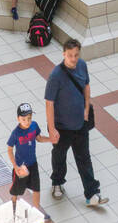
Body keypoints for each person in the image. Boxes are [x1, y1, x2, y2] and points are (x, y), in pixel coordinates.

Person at [44, 38, 107, 206]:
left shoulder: (82, 66)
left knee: (84, 158)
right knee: (59, 156)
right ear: (64, 54)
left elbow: (86, 86)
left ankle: (92, 194)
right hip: (62, 127)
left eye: (76, 55)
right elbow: (49, 103)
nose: (73, 59)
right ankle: (57, 182)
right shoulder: (56, 76)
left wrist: (86, 108)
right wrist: (51, 129)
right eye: (70, 55)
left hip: (80, 124)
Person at [7, 101, 51, 212]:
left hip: (33, 163)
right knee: (17, 189)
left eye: (29, 118)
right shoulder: (16, 133)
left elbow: (39, 138)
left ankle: (36, 211)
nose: (27, 121)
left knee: (37, 188)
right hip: (21, 167)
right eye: (23, 119)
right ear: (18, 119)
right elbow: (9, 149)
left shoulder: (34, 126)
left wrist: (50, 139)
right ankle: (13, 203)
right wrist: (15, 166)